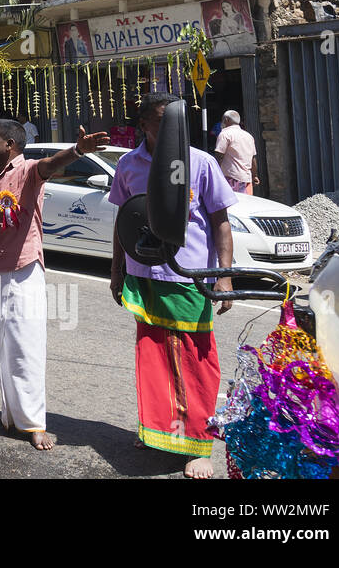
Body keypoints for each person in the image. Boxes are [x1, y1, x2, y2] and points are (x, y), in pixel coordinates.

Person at [109, 93, 238, 479]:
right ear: (143, 125)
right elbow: (123, 223)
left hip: (189, 279)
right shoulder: (128, 165)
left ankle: (199, 445)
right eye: (161, 121)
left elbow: (220, 222)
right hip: (143, 277)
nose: (170, 130)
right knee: (154, 360)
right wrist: (117, 272)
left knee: (196, 364)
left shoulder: (201, 163)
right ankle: (160, 432)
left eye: (175, 121)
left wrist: (224, 274)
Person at [0, 119, 109, 451]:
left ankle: (34, 423)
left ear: (10, 144)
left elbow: (52, 164)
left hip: (23, 269)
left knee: (26, 346)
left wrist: (78, 150)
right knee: (2, 345)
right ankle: (9, 413)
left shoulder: (30, 170)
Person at [214, 110, 259, 194]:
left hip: (231, 180)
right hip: (247, 180)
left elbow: (219, 156)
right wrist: (254, 176)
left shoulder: (225, 134)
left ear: (226, 120)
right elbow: (253, 159)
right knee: (247, 205)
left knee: (233, 206)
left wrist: (215, 175)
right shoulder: (248, 136)